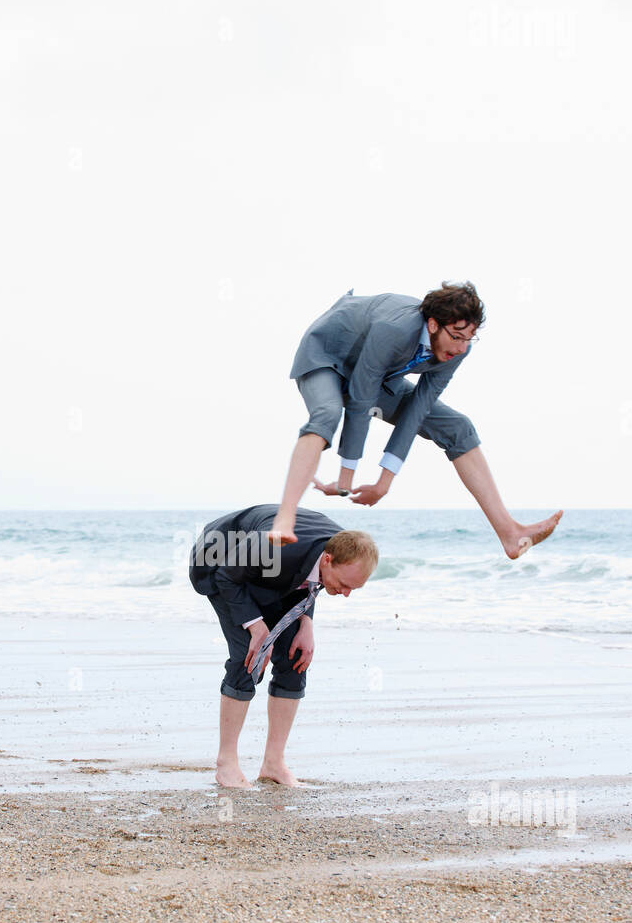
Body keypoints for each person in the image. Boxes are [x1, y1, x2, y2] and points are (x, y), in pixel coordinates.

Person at [268, 282, 563, 557]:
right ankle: (285, 516)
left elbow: (417, 410)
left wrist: (384, 484)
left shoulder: (457, 350)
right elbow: (361, 400)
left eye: (468, 339)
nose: (462, 348)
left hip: (376, 373)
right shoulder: (394, 330)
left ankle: (510, 533)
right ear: (433, 324)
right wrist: (346, 481)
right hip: (327, 356)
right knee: (327, 413)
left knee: (457, 427)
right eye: (456, 337)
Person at [189, 505, 378, 788]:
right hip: (220, 560)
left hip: (275, 572)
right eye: (343, 585)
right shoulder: (278, 547)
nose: (346, 594)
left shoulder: (343, 549)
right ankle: (226, 763)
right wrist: (255, 625)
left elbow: (313, 581)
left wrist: (306, 623)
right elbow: (227, 575)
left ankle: (273, 763)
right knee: (248, 657)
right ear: (328, 560)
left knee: (295, 657)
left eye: (354, 588)